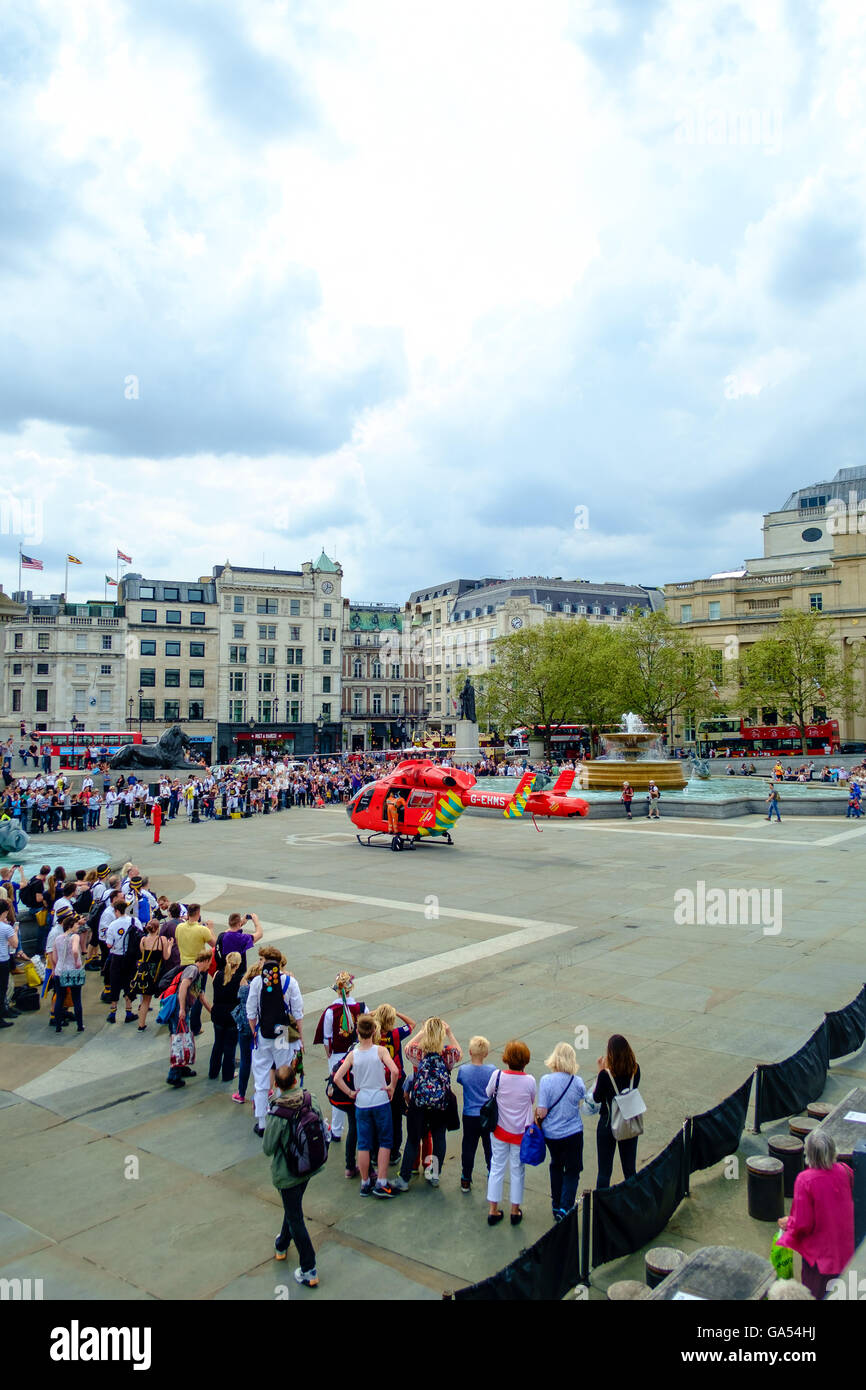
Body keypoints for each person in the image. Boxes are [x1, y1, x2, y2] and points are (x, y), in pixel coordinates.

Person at [264, 1057, 326, 1287]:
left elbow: (268, 1147)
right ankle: (281, 1243)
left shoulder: (278, 1112)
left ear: (278, 1086)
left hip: (287, 1172)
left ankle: (309, 1268)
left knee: (295, 1216)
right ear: (296, 1079)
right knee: (292, 1208)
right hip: (310, 1165)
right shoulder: (311, 1099)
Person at [776, 1130, 855, 1300]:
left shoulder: (805, 1180)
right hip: (845, 1250)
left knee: (814, 1295)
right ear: (833, 1150)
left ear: (808, 1154)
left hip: (820, 1257)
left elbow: (802, 1224)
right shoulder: (845, 1170)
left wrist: (788, 1223)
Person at [390, 1017, 462, 1193]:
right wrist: (450, 1033)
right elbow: (458, 1052)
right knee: (439, 1139)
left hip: (419, 1103)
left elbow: (408, 1047)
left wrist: (422, 1031)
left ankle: (404, 1178)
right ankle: (434, 1174)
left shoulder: (418, 1053)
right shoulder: (447, 1055)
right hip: (440, 1104)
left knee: (413, 1140)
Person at [333, 1013, 400, 1197]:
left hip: (361, 1102)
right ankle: (382, 1181)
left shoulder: (353, 1054)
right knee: (385, 1141)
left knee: (363, 1143)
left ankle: (364, 1183)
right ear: (374, 1031)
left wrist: (350, 1093)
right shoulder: (380, 1051)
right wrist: (391, 1087)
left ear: (357, 1031)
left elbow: (337, 1077)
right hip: (380, 1099)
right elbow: (394, 1070)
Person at [246, 946, 304, 1137]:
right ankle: (282, 1115)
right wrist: (300, 1037)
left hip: (264, 1033)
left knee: (262, 1078)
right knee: (283, 1073)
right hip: (283, 1033)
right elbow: (297, 1012)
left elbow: (251, 1012)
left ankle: (262, 1123)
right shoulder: (290, 982)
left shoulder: (256, 982)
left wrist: (256, 1033)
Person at [313, 970, 367, 1173]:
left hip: (338, 1056)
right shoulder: (361, 1007)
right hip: (358, 1052)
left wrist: (330, 1055)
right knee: (358, 1085)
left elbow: (327, 1038)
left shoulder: (329, 1012)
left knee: (338, 1090)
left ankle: (336, 1130)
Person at [484, 1040, 536, 1226]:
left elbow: (488, 1093)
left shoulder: (497, 1076)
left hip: (499, 1129)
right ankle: (515, 1210)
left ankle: (493, 1209)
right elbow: (531, 1099)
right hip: (520, 1133)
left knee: (496, 1167)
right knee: (517, 1170)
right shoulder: (529, 1080)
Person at [535, 1042, 587, 1221]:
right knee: (573, 1170)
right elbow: (585, 1101)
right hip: (573, 1133)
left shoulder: (546, 1081)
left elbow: (541, 1111)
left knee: (556, 1165)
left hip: (552, 1135)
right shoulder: (577, 1081)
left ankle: (556, 1203)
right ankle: (565, 1207)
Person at [591, 1034, 641, 1188]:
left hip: (608, 1124)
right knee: (630, 1169)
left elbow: (597, 1097)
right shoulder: (635, 1069)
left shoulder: (606, 1075)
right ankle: (632, 1202)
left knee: (604, 1172)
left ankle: (601, 1208)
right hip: (629, 1120)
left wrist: (601, 1072)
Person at [370, 1001, 415, 1163]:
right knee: (396, 1117)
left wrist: (375, 1013)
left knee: (377, 1117)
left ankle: (375, 1152)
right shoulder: (396, 1034)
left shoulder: (373, 1034)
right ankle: (394, 1152)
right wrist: (397, 1013)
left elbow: (359, 1022)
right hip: (396, 1078)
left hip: (378, 1078)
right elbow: (412, 1024)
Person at [166, 951, 213, 1087]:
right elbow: (183, 987)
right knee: (179, 1040)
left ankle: (182, 1068)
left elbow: (200, 996)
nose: (209, 966)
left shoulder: (197, 973)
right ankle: (173, 1074)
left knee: (184, 1038)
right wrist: (181, 1008)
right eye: (209, 963)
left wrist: (213, 1012)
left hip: (183, 1009)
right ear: (204, 960)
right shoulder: (193, 970)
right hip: (179, 1010)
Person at [456, 1035, 496, 1192]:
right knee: (489, 1147)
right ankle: (492, 1175)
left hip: (470, 1115)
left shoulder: (464, 1070)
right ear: (486, 1053)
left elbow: (460, 1081)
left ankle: (466, 1178)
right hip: (487, 1114)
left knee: (468, 1147)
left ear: (470, 1052)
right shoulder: (492, 1070)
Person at [175, 904, 216, 1036]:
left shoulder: (179, 927)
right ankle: (195, 1027)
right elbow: (214, 945)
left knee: (183, 993)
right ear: (198, 914)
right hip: (199, 967)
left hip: (183, 964)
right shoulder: (202, 930)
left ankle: (181, 1020)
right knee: (198, 995)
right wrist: (210, 929)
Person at [129, 920, 172, 1030]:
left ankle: (141, 1024)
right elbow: (166, 957)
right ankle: (166, 1017)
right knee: (165, 995)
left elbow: (142, 954)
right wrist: (170, 946)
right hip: (158, 971)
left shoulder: (143, 940)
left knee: (145, 1000)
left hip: (146, 972)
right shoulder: (161, 940)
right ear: (157, 929)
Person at [50, 907, 86, 1034]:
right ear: (71, 925)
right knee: (77, 999)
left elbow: (54, 957)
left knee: (60, 998)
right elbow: (75, 950)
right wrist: (76, 960)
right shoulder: (74, 937)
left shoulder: (58, 938)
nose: (77, 926)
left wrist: (56, 967)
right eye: (76, 924)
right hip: (72, 970)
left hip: (60, 971)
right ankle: (80, 1025)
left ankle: (58, 1025)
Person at [209, 951, 243, 1082]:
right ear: (238, 964)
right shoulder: (241, 979)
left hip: (218, 1013)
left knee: (218, 1043)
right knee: (230, 1046)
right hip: (232, 1016)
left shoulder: (217, 975)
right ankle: (227, 1074)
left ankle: (213, 1071)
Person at [104, 908, 141, 1025]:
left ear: (116, 911)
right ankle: (128, 1013)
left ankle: (112, 1013)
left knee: (114, 983)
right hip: (130, 958)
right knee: (128, 984)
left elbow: (109, 944)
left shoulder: (112, 925)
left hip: (116, 957)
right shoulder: (135, 921)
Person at [0, 900, 20, 1029]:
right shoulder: (6, 928)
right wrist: (15, 930)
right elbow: (15, 944)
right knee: (2, 989)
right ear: (5, 912)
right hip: (2, 960)